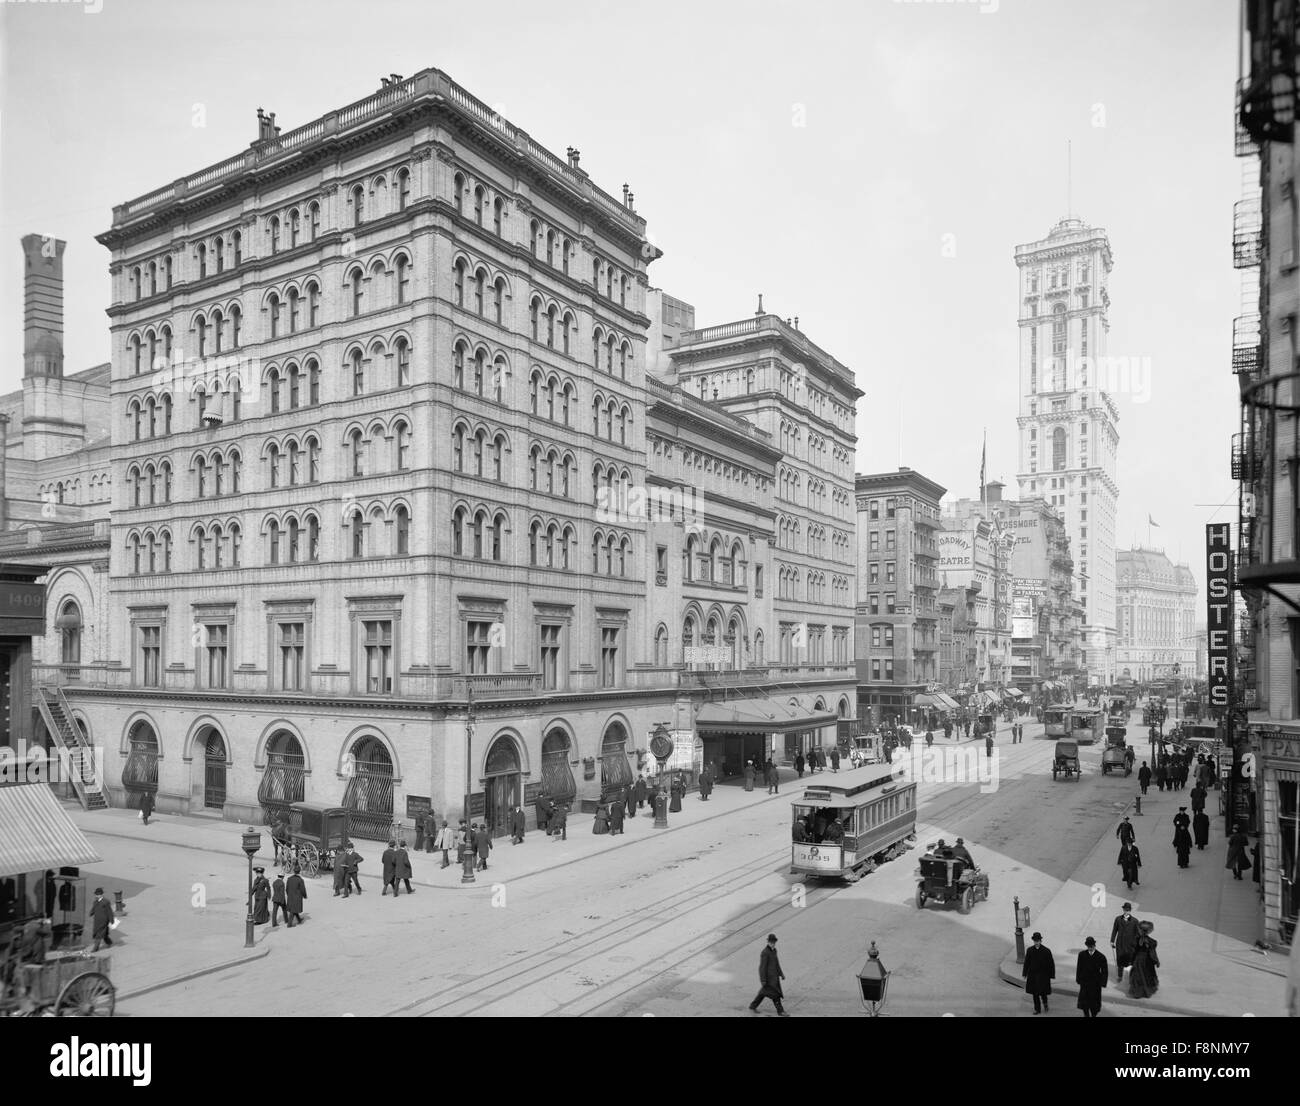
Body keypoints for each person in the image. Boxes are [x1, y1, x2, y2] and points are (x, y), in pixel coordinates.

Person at [747, 934, 789, 1016]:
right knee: (775, 994)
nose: (772, 944)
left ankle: (752, 1006)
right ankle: (780, 1011)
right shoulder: (765, 953)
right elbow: (762, 968)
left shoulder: (774, 951)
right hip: (769, 979)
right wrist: (763, 980)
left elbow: (777, 964)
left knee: (762, 993)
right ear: (768, 942)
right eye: (771, 942)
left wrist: (781, 973)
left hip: (774, 978)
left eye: (773, 942)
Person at [1022, 932, 1055, 1014]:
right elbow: (1027, 963)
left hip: (1043, 976)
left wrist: (1052, 975)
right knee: (1035, 993)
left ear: (1041, 941)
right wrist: (1024, 973)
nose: (1036, 942)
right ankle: (1037, 1009)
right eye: (1035, 941)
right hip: (1033, 975)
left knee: (1043, 993)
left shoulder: (1046, 951)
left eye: (1038, 941)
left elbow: (1051, 963)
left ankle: (1045, 1003)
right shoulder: (1030, 950)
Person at [1076, 937, 1108, 1018]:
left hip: (1095, 983)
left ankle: (1094, 1015)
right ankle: (1086, 1014)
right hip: (1085, 982)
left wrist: (1103, 983)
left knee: (1094, 1004)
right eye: (1088, 946)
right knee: (1084, 1003)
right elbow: (1079, 968)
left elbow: (1105, 971)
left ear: (1094, 945)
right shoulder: (1082, 955)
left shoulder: (1101, 956)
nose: (1090, 948)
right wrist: (1078, 979)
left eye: (1091, 946)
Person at [1129, 921, 1160, 998]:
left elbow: (1133, 951)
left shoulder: (1136, 940)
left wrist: (1131, 960)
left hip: (1138, 960)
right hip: (1147, 961)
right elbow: (1152, 953)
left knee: (1137, 976)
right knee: (1147, 976)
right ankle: (1146, 991)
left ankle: (1137, 992)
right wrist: (1156, 961)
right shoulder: (1152, 942)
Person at [1110, 902, 1140, 982]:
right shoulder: (1118, 919)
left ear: (1130, 911)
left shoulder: (1135, 921)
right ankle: (1120, 976)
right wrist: (1112, 941)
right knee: (1120, 960)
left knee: (1130, 962)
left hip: (1130, 945)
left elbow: (1138, 934)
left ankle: (1131, 977)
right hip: (1120, 943)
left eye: (1128, 910)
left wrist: (1137, 943)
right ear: (1123, 910)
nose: (1126, 911)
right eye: (1125, 910)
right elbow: (1114, 930)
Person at [89, 888, 114, 952]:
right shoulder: (95, 902)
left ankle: (95, 948)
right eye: (96, 894)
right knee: (104, 934)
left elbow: (109, 911)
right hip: (97, 920)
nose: (97, 895)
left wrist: (111, 920)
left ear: (102, 894)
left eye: (98, 894)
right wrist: (91, 913)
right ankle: (109, 942)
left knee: (99, 934)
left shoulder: (106, 902)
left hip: (104, 921)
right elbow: (93, 908)